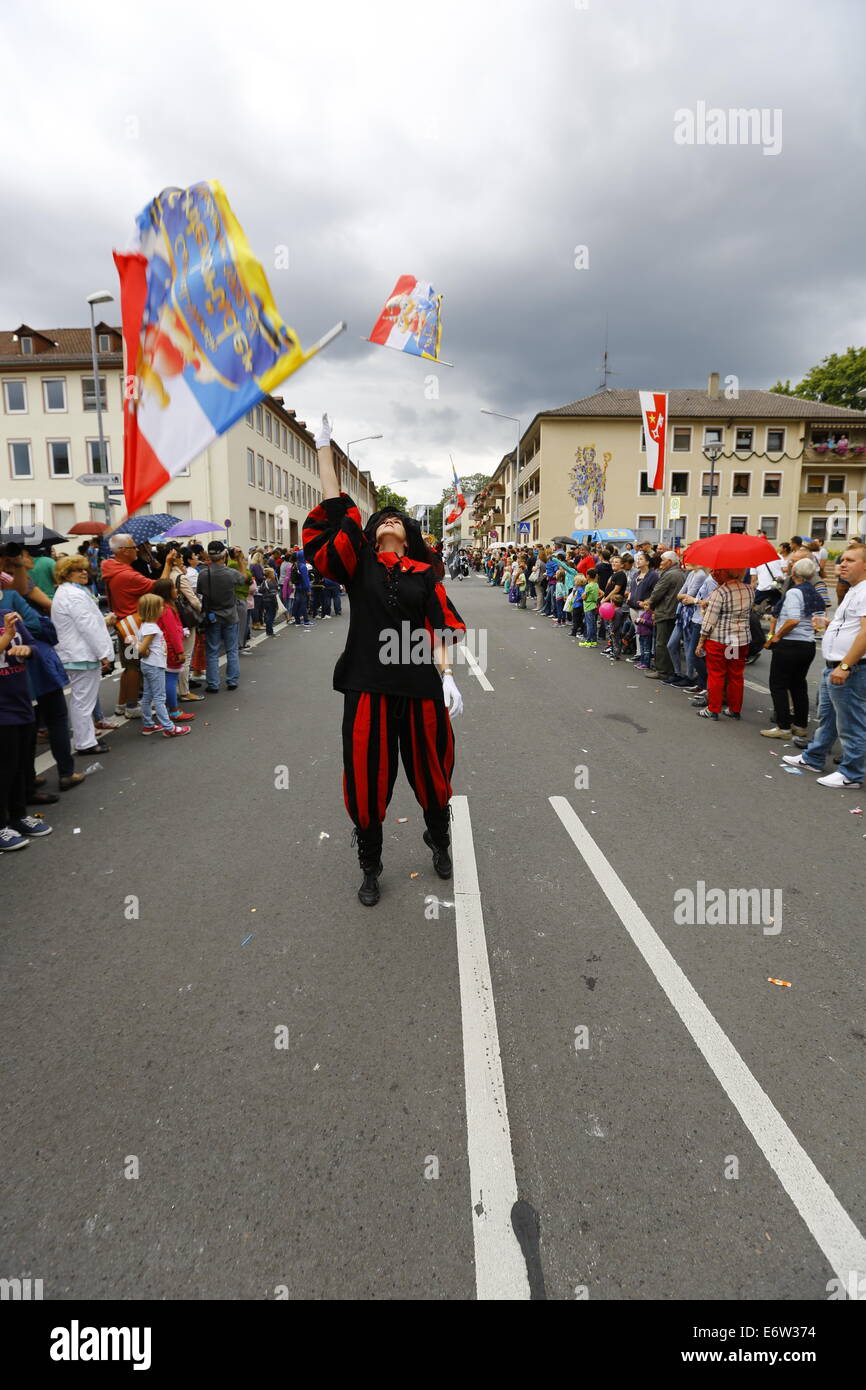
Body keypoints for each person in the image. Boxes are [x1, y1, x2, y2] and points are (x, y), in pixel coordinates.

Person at [303, 414, 465, 907]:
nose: (390, 519)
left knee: (432, 775)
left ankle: (439, 840)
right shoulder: (359, 564)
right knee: (367, 778)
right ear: (371, 534)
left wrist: (448, 677)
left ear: (409, 532)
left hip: (419, 685)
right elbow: (337, 508)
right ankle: (370, 865)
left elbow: (438, 628)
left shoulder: (423, 575)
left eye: (398, 518)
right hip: (368, 683)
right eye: (382, 518)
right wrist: (324, 450)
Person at [782, 543, 866, 788]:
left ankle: (851, 774)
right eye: (842, 560)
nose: (842, 564)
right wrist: (829, 623)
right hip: (835, 665)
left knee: (850, 723)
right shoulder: (854, 589)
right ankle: (814, 757)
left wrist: (846, 666)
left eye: (850, 560)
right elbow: (851, 626)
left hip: (849, 668)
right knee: (828, 718)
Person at [102, 535, 177, 717]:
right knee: (134, 667)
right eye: (133, 547)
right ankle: (131, 706)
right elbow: (161, 587)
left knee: (129, 667)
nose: (137, 549)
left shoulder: (111, 569)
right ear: (122, 551)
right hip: (134, 627)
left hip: (124, 624)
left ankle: (122, 704)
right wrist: (167, 563)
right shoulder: (127, 575)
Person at [52, 554, 116, 756]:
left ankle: (86, 740)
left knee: (82, 700)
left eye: (84, 569)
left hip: (77, 652)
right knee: (83, 701)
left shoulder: (70, 592)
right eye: (78, 570)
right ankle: (85, 743)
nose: (84, 572)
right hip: (81, 653)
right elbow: (87, 626)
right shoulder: (74, 594)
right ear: (66, 574)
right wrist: (103, 653)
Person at [0, 611, 53, 850]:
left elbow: (33, 646)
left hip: (21, 701)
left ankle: (19, 816)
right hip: (2, 710)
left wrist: (28, 650)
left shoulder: (7, 616)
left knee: (21, 765)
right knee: (4, 768)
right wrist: (6, 638)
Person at [761, 556, 824, 741]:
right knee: (798, 685)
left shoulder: (794, 593)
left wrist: (777, 636)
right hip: (808, 644)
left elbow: (793, 619)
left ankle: (784, 727)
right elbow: (819, 621)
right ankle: (800, 725)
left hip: (790, 644)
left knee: (778, 684)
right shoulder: (814, 592)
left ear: (794, 572)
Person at [695, 568, 752, 721]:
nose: (714, 574)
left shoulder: (721, 592)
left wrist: (701, 642)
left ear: (727, 573)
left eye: (718, 572)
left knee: (716, 674)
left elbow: (709, 621)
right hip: (738, 639)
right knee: (735, 674)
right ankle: (734, 709)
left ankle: (713, 709)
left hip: (719, 640)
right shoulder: (749, 589)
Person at [136, 594, 192, 738]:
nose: (163, 608)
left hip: (148, 665)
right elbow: (142, 649)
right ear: (153, 610)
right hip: (155, 666)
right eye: (160, 606)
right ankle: (169, 727)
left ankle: (148, 725)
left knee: (148, 696)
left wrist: (145, 651)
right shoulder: (152, 628)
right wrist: (145, 651)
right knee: (160, 698)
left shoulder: (145, 625)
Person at [197, 542, 244, 691]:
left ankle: (213, 684)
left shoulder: (204, 574)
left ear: (209, 556)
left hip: (212, 616)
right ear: (224, 555)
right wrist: (240, 560)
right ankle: (232, 681)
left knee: (212, 650)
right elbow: (244, 578)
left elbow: (200, 591)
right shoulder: (231, 573)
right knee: (232, 649)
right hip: (230, 614)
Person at [643, 551, 685, 679]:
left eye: (662, 561)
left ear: (670, 562)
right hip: (673, 611)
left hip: (665, 612)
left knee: (661, 643)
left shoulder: (669, 574)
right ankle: (670, 670)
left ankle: (663, 671)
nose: (660, 563)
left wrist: (650, 605)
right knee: (670, 644)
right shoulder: (680, 573)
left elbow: (657, 593)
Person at [579, 569, 600, 646]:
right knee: (593, 623)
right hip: (594, 605)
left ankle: (588, 640)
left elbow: (584, 596)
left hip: (588, 605)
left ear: (588, 576)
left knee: (589, 624)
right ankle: (594, 640)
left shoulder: (588, 586)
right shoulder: (596, 585)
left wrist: (583, 596)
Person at [260, 567, 280, 635]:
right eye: (273, 573)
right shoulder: (271, 583)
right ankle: (270, 631)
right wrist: (276, 604)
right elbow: (273, 595)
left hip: (265, 600)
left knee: (267, 615)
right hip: (271, 601)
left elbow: (260, 590)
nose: (274, 575)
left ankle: (268, 630)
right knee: (271, 616)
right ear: (270, 574)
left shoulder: (264, 582)